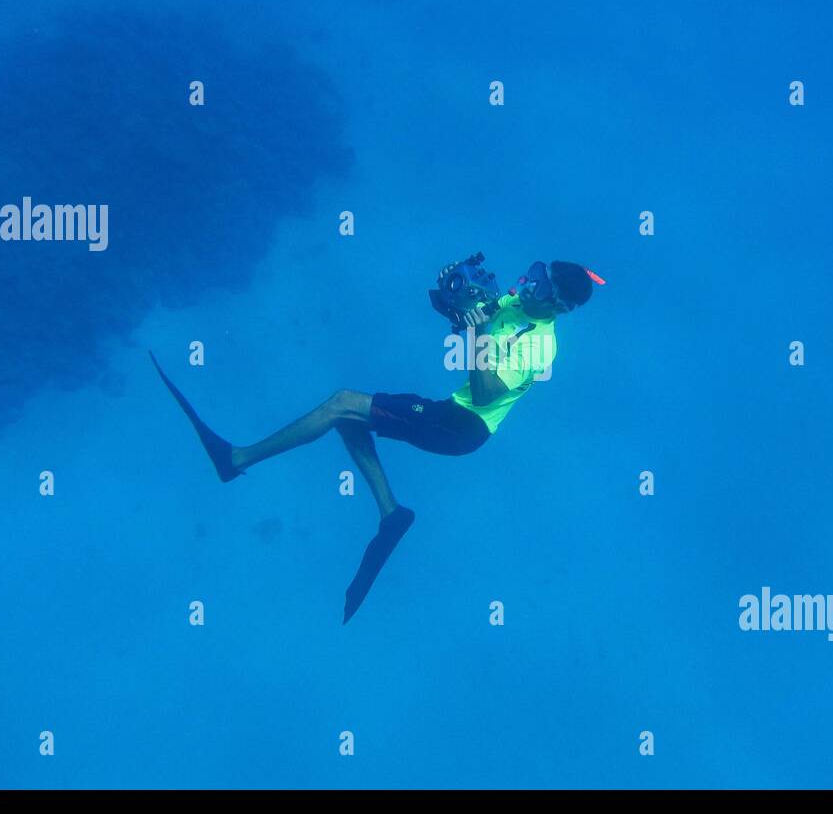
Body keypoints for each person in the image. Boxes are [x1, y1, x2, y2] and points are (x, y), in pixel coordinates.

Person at [151, 258, 600, 621]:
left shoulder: (541, 347)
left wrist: (478, 326)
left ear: (558, 306)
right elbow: (458, 315)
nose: (525, 285)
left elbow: (484, 392)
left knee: (342, 403)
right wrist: (453, 295)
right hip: (448, 412)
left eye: (539, 287)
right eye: (533, 274)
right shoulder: (517, 301)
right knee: (350, 417)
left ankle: (235, 458)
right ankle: (391, 512)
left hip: (462, 427)